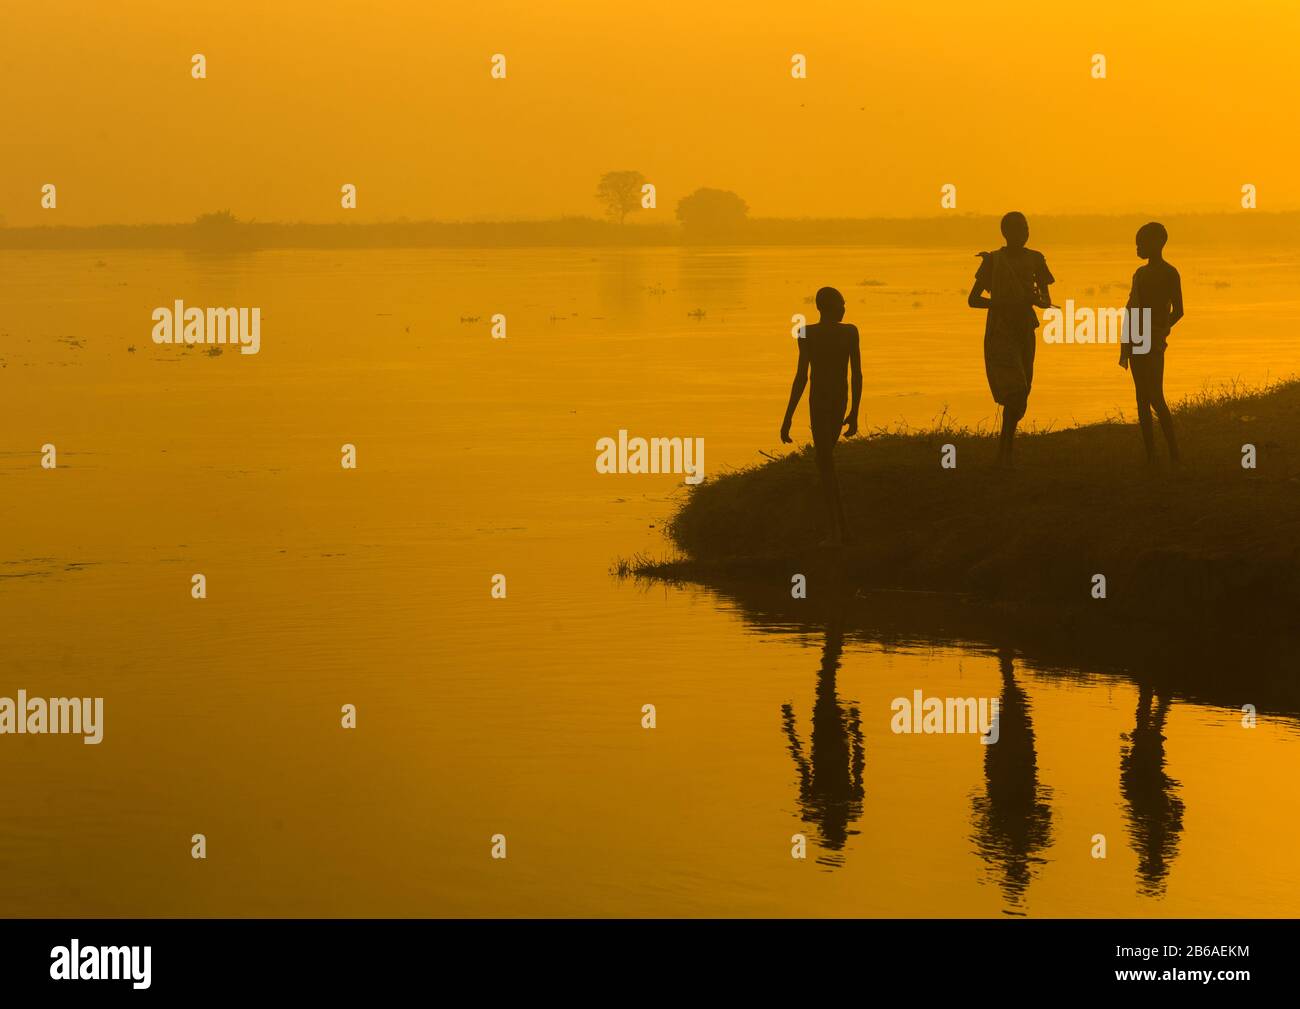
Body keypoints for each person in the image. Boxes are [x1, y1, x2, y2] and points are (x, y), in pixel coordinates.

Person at [968, 212, 1055, 466]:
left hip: (1025, 330)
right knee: (1015, 390)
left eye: (1026, 228)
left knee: (1025, 389)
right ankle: (1005, 449)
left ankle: (1006, 446)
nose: (1024, 233)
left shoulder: (1037, 259)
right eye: (1019, 229)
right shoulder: (993, 262)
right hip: (1001, 331)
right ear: (1006, 233)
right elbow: (973, 299)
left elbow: (1046, 300)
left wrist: (1037, 300)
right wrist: (1003, 302)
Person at [780, 287, 862, 546]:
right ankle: (840, 530)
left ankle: (837, 531)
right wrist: (788, 417)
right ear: (829, 306)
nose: (844, 308)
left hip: (824, 401)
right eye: (841, 303)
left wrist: (855, 414)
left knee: (824, 461)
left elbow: (802, 378)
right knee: (824, 460)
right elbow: (855, 376)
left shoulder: (810, 333)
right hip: (834, 400)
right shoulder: (846, 332)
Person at [1120, 222, 1183, 465]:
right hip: (1136, 339)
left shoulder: (1170, 273)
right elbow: (1131, 307)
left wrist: (1160, 329)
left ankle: (1174, 454)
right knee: (1141, 398)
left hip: (1154, 340)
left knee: (1156, 396)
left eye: (1141, 242)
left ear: (1157, 242)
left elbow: (1178, 311)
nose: (1138, 247)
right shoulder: (1140, 274)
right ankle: (1151, 456)